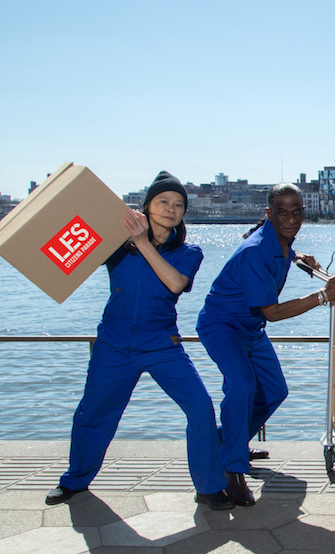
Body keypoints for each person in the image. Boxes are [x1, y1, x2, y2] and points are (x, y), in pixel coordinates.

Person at [46, 171, 233, 510]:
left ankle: (209, 487)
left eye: (178, 204)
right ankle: (75, 480)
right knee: (94, 412)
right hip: (114, 344)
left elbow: (175, 284)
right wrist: (8, 244)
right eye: (163, 201)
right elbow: (60, 250)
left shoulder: (189, 252)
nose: (171, 209)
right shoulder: (115, 245)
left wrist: (143, 242)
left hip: (161, 344)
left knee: (200, 408)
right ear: (147, 205)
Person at [196, 183, 335, 507]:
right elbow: (272, 313)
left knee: (275, 391)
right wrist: (324, 295)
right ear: (268, 214)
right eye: (282, 212)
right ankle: (232, 470)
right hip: (222, 327)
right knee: (242, 385)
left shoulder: (280, 241)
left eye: (296, 212)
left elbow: (277, 247)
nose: (291, 219)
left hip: (250, 329)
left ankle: (228, 441)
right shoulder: (255, 252)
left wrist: (301, 258)